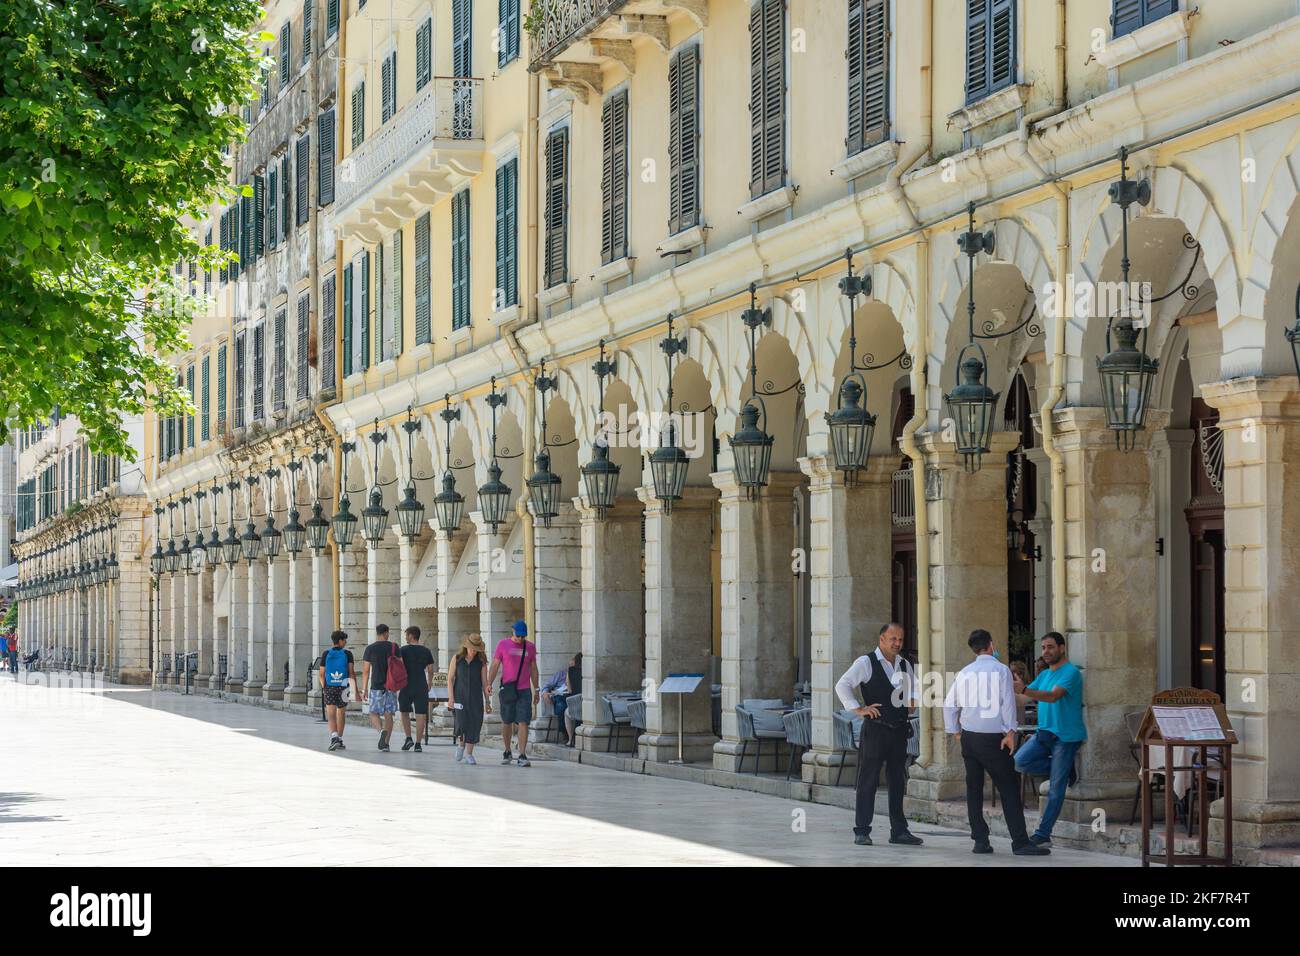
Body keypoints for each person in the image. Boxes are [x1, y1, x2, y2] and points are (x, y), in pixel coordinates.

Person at [943, 629, 1050, 857]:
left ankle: (980, 841)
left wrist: (956, 732)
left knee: (974, 789)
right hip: (994, 740)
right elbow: (1008, 703)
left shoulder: (964, 672)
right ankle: (1020, 842)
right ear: (991, 645)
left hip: (969, 738)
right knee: (1009, 788)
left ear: (974, 649)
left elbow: (949, 705)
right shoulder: (1001, 670)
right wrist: (1011, 732)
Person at [835, 622, 923, 847]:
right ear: (881, 639)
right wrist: (858, 709)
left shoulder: (904, 663)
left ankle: (899, 831)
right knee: (868, 780)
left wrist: (912, 700)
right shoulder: (866, 662)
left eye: (901, 640)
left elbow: (914, 689)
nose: (897, 643)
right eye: (893, 639)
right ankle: (862, 830)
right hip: (875, 729)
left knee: (897, 780)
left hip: (899, 730)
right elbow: (842, 685)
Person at [1014, 632, 1086, 846]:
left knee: (1056, 789)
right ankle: (1064, 771)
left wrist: (1026, 689)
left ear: (1062, 648)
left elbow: (1054, 696)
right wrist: (1006, 688)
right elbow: (1023, 699)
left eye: (1050, 647)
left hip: (1065, 736)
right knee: (1020, 761)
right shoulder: (1044, 675)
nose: (1046, 652)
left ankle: (1043, 835)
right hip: (1043, 734)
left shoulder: (1071, 672)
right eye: (1043, 648)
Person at [486, 620, 539, 767]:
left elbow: (534, 669)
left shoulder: (530, 647)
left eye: (523, 636)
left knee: (523, 721)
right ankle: (507, 750)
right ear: (513, 632)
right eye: (518, 636)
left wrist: (537, 689)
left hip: (524, 690)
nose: (521, 639)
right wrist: (489, 683)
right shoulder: (503, 645)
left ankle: (522, 754)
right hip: (508, 688)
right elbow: (495, 665)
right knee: (507, 721)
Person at [447, 633, 491, 764]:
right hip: (459, 696)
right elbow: (450, 678)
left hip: (475, 697)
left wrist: (487, 702)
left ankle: (469, 754)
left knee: (475, 723)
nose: (473, 652)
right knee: (461, 723)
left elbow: (484, 682)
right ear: (466, 647)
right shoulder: (457, 658)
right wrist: (451, 698)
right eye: (472, 648)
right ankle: (461, 745)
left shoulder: (481, 662)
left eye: (476, 650)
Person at [361, 623, 400, 752]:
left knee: (373, 712)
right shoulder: (394, 647)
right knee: (389, 714)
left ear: (377, 633)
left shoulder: (370, 648)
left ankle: (381, 731)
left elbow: (366, 670)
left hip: (376, 685)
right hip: (391, 685)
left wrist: (364, 688)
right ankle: (386, 744)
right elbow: (400, 666)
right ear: (386, 633)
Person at [397, 625, 435, 752]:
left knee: (404, 712)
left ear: (411, 636)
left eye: (406, 635)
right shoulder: (426, 651)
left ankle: (408, 738)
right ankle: (418, 744)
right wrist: (430, 683)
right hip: (421, 685)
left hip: (406, 685)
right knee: (421, 715)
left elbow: (399, 667)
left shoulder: (402, 650)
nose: (405, 637)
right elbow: (430, 669)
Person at [318, 630, 356, 751]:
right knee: (341, 713)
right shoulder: (348, 654)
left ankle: (334, 737)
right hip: (344, 687)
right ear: (340, 641)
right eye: (344, 640)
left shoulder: (326, 654)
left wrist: (325, 687)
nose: (345, 643)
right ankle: (339, 739)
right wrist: (354, 689)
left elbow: (321, 674)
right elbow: (351, 673)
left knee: (331, 714)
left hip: (330, 686)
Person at [540, 652, 581, 740]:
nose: (572, 662)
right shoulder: (561, 674)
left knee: (573, 704)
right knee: (561, 704)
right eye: (573, 660)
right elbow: (547, 685)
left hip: (570, 697)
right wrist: (544, 693)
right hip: (558, 696)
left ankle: (573, 734)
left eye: (574, 660)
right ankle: (564, 732)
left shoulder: (578, 674)